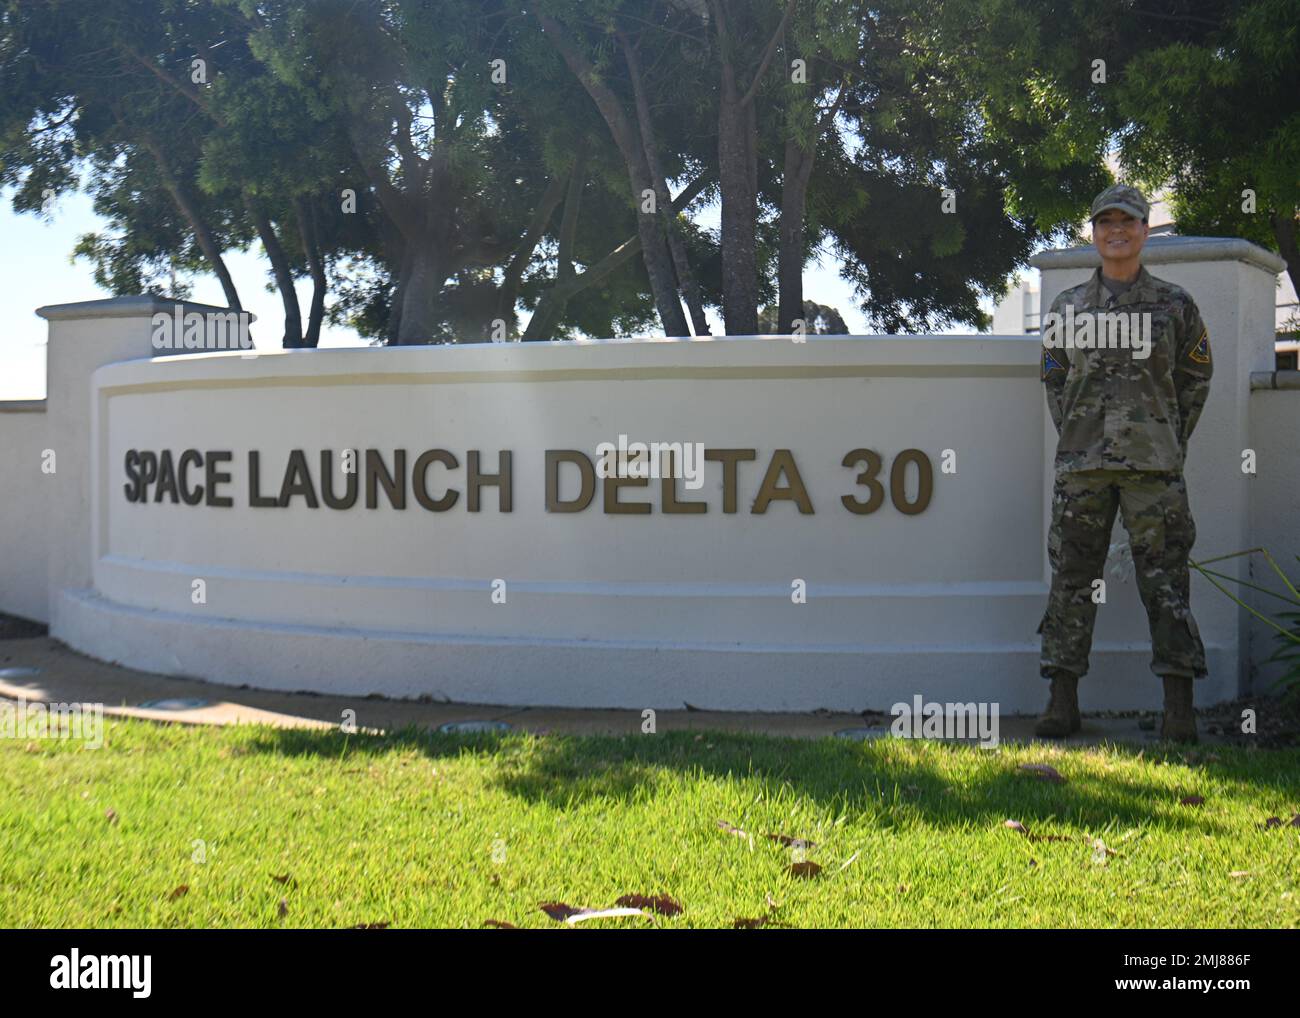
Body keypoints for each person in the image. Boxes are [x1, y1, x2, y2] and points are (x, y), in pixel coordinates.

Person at [1037, 184, 1213, 742]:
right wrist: (1074, 433)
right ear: (1093, 233)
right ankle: (1062, 701)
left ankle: (1178, 710)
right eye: (1105, 221)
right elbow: (1053, 377)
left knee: (1165, 585)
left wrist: (1168, 438)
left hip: (1153, 470)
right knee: (1071, 581)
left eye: (1127, 221)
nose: (1116, 230)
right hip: (1083, 467)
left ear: (1143, 231)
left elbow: (1195, 378)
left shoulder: (1175, 304)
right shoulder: (1068, 307)